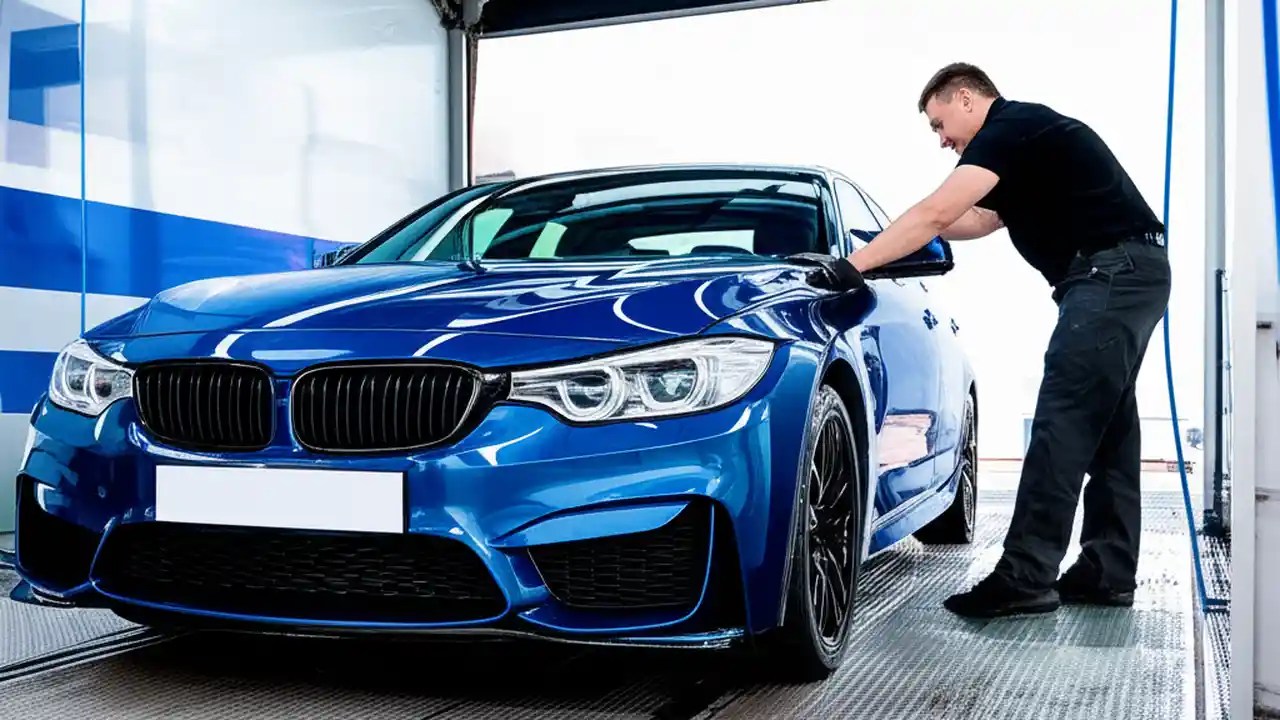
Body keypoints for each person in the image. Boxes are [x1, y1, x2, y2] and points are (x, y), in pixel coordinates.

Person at [789, 62, 1172, 619]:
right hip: (1127, 273)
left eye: (940, 123)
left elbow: (939, 210)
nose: (942, 139)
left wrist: (853, 265)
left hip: (1111, 275)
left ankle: (1025, 577)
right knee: (1109, 428)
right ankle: (1107, 571)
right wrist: (890, 237)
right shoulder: (1026, 143)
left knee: (1061, 422)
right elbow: (975, 219)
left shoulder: (1009, 128)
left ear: (966, 98)